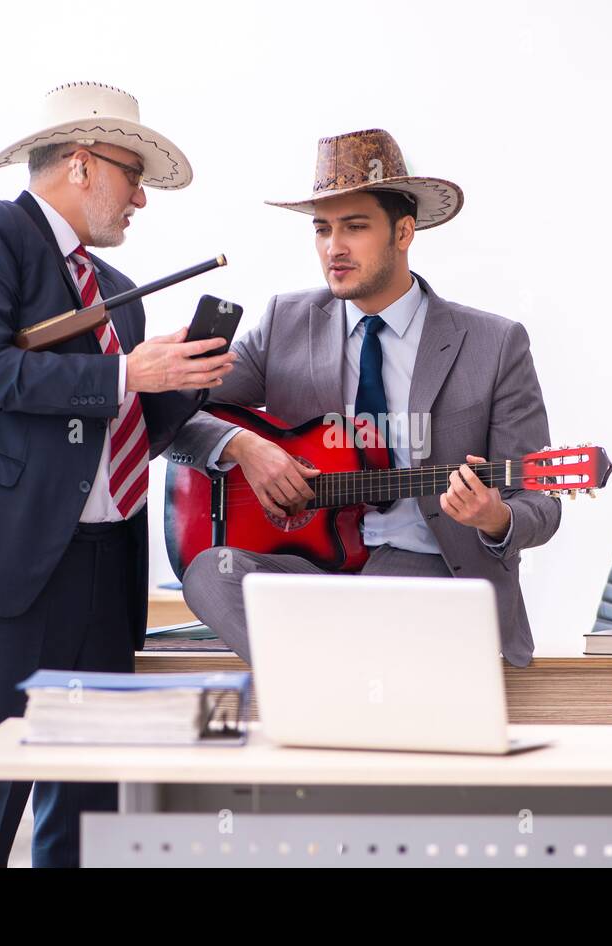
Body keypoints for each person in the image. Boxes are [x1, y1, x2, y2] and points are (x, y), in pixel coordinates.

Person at [0, 81, 234, 867]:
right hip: (12, 570)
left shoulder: (120, 295)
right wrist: (125, 374)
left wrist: (181, 382)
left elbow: (120, 438)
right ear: (82, 164)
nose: (142, 200)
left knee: (86, 806)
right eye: (133, 175)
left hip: (106, 570)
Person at [166, 128, 559, 668]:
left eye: (354, 227)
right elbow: (168, 412)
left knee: (378, 638)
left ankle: (320, 690)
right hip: (314, 572)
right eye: (322, 229)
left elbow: (540, 501)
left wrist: (493, 517)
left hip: (432, 575)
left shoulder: (494, 344)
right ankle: (328, 688)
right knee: (211, 573)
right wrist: (241, 446)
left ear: (404, 232)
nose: (335, 247)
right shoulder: (287, 321)